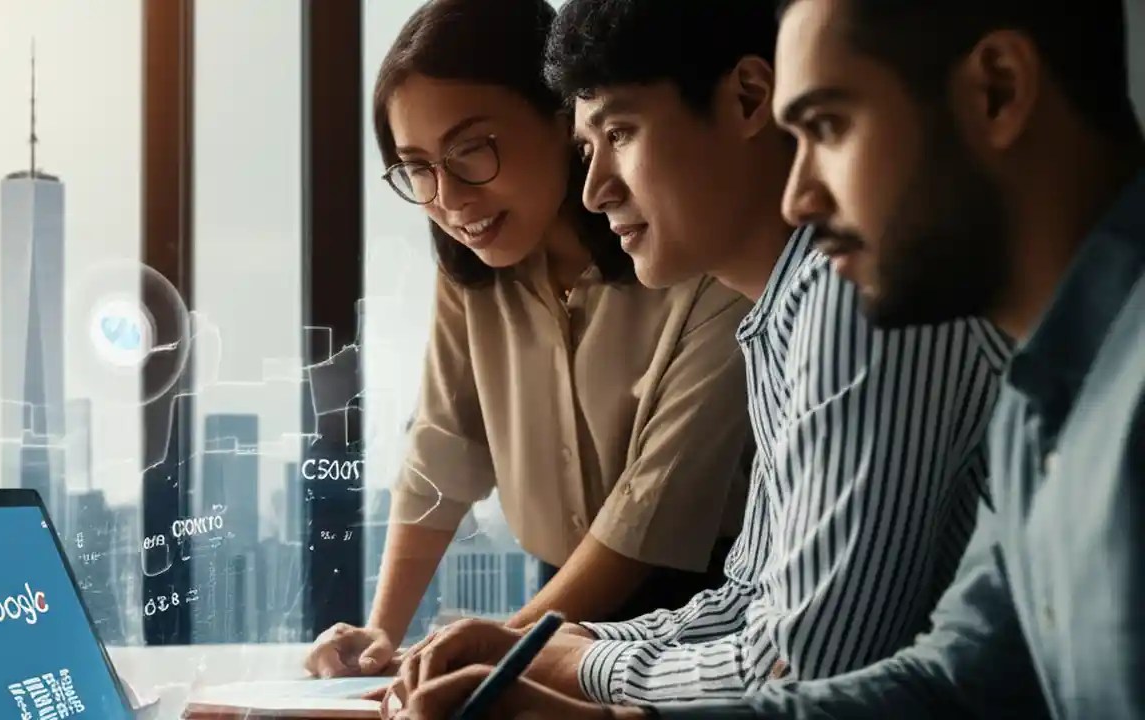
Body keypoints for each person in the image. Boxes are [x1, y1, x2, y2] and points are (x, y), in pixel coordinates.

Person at [389, 0, 1145, 717]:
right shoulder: (1038, 393)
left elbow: (806, 659)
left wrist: (567, 660)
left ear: (997, 91)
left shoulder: (874, 309)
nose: (801, 193)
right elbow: (954, 680)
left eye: (828, 127)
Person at [305, 0, 754, 679]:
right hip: (553, 599)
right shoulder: (474, 270)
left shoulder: (700, 258)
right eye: (418, 167)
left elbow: (650, 507)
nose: (450, 199)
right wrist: (381, 635)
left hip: (695, 613)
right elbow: (444, 444)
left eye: (472, 151)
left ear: (564, 120)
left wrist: (487, 656)